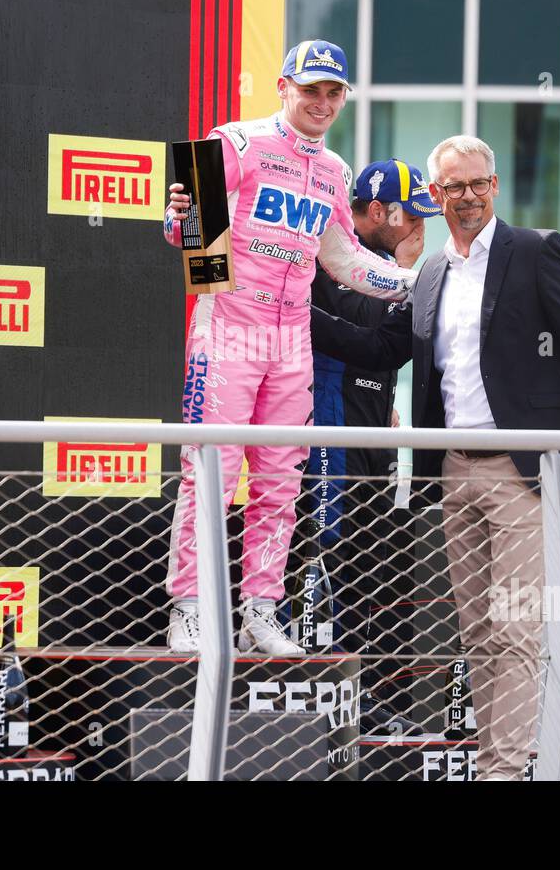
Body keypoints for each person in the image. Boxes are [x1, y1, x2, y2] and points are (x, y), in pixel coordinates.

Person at [312, 134, 560, 780]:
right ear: (435, 196)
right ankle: (498, 763)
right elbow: (383, 351)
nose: (467, 197)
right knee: (480, 637)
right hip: (452, 472)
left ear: (494, 187)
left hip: (521, 473)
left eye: (478, 184)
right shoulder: (431, 272)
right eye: (453, 187)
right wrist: (288, 308)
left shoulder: (534, 250)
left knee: (517, 631)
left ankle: (501, 772)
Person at [162, 40, 417, 655]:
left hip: (291, 342)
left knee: (280, 480)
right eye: (311, 90)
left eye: (334, 93)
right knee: (211, 473)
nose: (322, 103)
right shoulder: (235, 143)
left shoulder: (333, 172)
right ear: (283, 87)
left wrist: (420, 280)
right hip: (227, 332)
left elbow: (344, 261)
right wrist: (179, 220)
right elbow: (187, 232)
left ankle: (260, 610)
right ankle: (191, 609)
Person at [305, 159, 431, 729]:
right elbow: (369, 335)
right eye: (415, 219)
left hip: (373, 435)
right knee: (328, 563)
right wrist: (404, 275)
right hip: (328, 432)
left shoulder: (384, 264)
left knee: (369, 569)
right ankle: (324, 701)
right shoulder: (336, 255)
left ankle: (365, 706)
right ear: (379, 212)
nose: (422, 233)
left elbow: (384, 350)